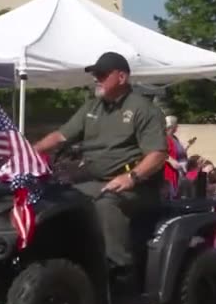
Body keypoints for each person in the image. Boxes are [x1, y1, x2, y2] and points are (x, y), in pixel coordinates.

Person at [34, 52, 167, 287]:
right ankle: (64, 262)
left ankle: (120, 269)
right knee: (57, 200)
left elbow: (157, 155)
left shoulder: (142, 109)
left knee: (106, 203)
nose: (96, 79)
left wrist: (131, 177)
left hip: (138, 186)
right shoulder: (91, 107)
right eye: (95, 75)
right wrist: (32, 150)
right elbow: (61, 135)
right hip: (93, 180)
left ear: (122, 77)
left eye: (102, 75)